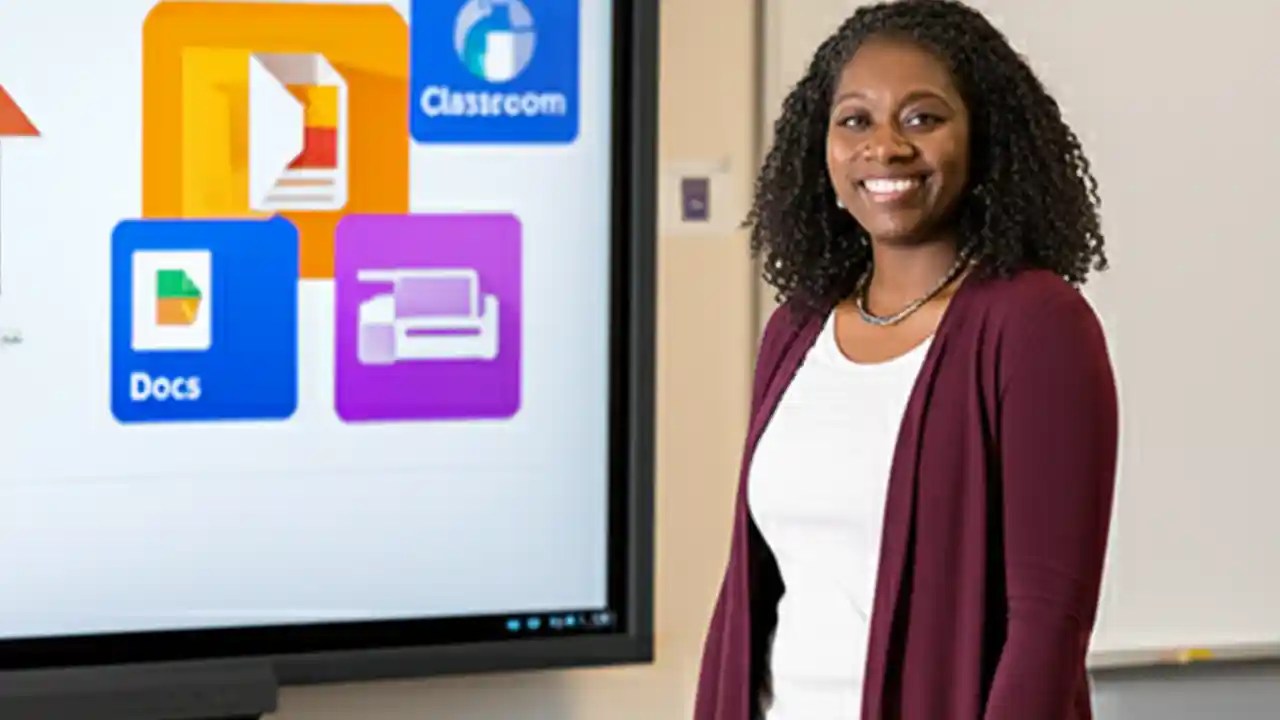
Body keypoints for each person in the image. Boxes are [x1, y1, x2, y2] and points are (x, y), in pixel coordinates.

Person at [693, 1, 1119, 719]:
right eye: (855, 119)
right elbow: (750, 590)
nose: (885, 147)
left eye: (923, 118)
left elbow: (1048, 627)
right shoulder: (795, 329)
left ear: (983, 138)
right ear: (820, 146)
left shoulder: (1037, 326)